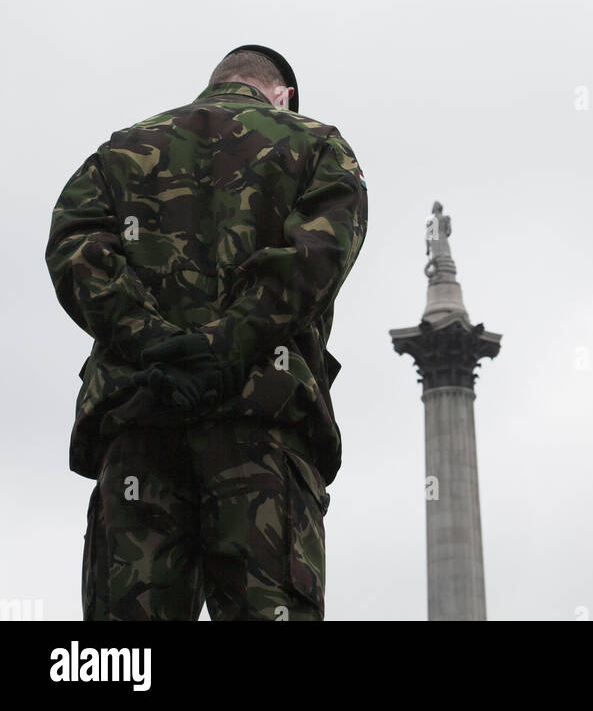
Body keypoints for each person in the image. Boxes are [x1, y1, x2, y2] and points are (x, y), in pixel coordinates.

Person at [45, 44, 368, 621]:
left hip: (142, 418)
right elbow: (312, 260)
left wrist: (153, 344)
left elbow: (76, 254)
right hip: (259, 431)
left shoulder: (118, 153)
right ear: (282, 95)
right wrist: (224, 349)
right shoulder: (315, 145)